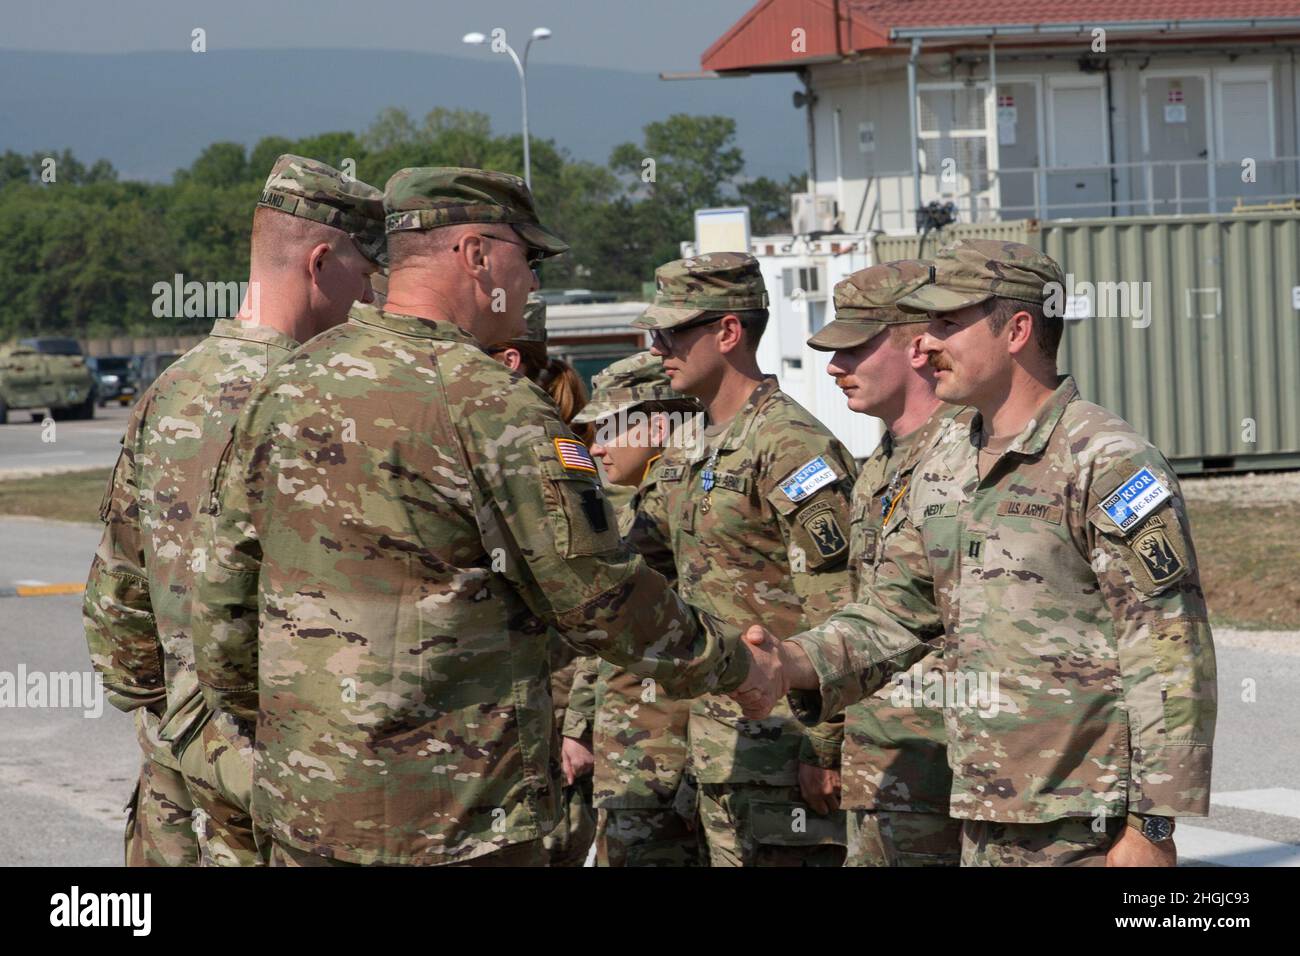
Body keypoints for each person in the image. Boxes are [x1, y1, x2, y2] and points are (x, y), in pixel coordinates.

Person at [190, 166, 755, 867]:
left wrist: (295, 743)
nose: (534, 284)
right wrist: (740, 667)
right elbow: (599, 600)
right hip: (458, 823)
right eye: (531, 260)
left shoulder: (286, 385)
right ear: (478, 255)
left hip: (309, 813)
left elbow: (221, 607)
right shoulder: (496, 406)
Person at [734, 239, 1218, 866]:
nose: (926, 342)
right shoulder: (945, 462)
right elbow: (895, 616)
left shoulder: (1105, 461)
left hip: (1080, 824)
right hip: (979, 810)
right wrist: (791, 663)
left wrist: (1153, 825)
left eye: (947, 324)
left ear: (1017, 329)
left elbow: (1168, 648)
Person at [83, 154, 385, 866]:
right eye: (366, 276)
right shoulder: (326, 401)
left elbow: (117, 607)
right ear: (320, 264)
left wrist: (174, 726)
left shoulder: (167, 392)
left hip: (174, 795)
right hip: (283, 796)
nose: (370, 297)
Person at [629, 252, 858, 866]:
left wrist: (825, 746)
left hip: (787, 749)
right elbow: (636, 562)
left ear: (728, 332)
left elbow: (838, 603)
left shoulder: (790, 445)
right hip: (719, 749)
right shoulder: (690, 451)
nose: (658, 348)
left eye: (673, 332)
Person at [806, 259, 969, 866]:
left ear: (918, 347)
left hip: (951, 768)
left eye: (855, 349)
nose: (833, 366)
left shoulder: (972, 458)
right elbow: (858, 610)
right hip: (882, 764)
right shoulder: (878, 467)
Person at [562, 351, 704, 866]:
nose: (595, 447)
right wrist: (579, 725)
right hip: (633, 754)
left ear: (658, 424)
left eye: (609, 429)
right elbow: (605, 630)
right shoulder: (634, 502)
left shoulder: (690, 500)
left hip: (672, 754)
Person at [485, 293, 596, 867]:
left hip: (546, 727)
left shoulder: (552, 455)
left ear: (507, 363)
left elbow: (592, 599)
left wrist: (575, 727)